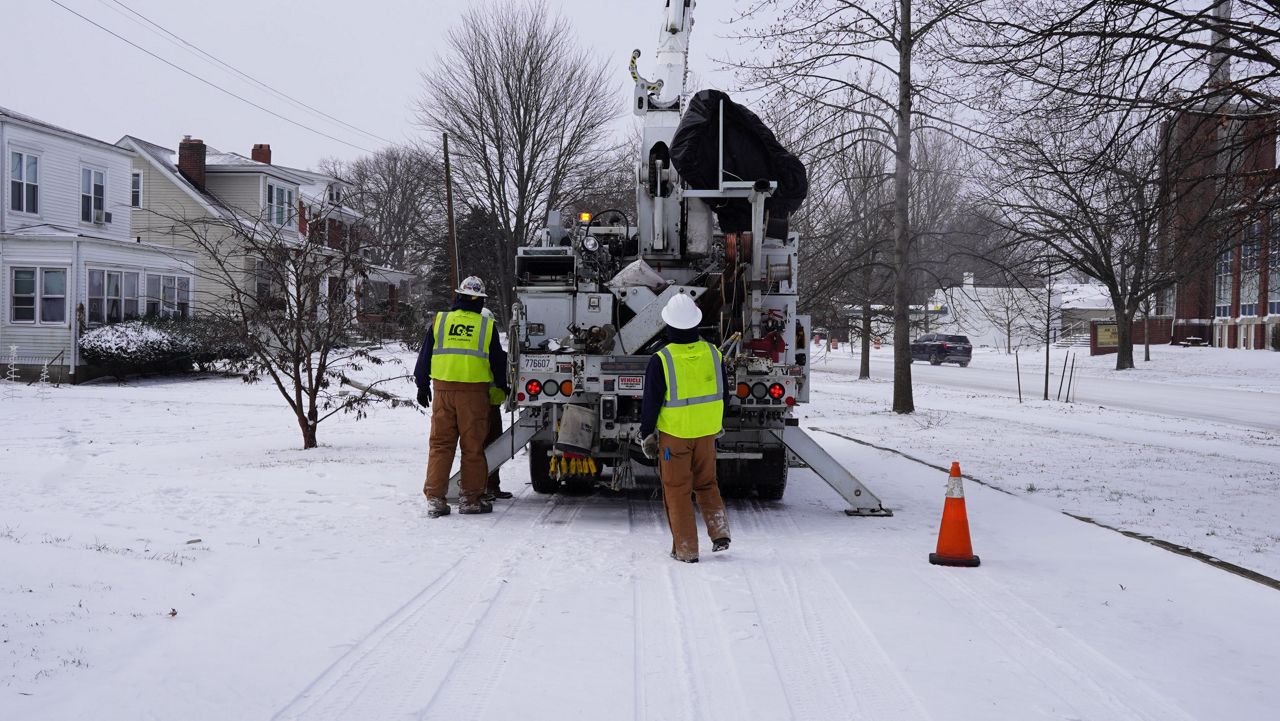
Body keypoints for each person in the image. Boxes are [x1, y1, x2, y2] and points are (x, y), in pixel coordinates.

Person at [637, 294, 731, 563]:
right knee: (707, 482)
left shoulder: (662, 359)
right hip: (707, 434)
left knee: (677, 489)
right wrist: (717, 423)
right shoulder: (714, 353)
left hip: (675, 437)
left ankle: (687, 549)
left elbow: (651, 402)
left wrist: (647, 433)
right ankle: (720, 531)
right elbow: (724, 394)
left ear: (668, 324)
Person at [413, 276, 509, 518]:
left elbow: (425, 356)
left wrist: (422, 385)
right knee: (473, 448)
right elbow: (497, 361)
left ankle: (435, 499)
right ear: (480, 302)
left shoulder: (441, 321)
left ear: (458, 297)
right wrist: (503, 386)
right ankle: (471, 499)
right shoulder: (486, 326)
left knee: (440, 445)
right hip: (474, 395)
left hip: (443, 391)